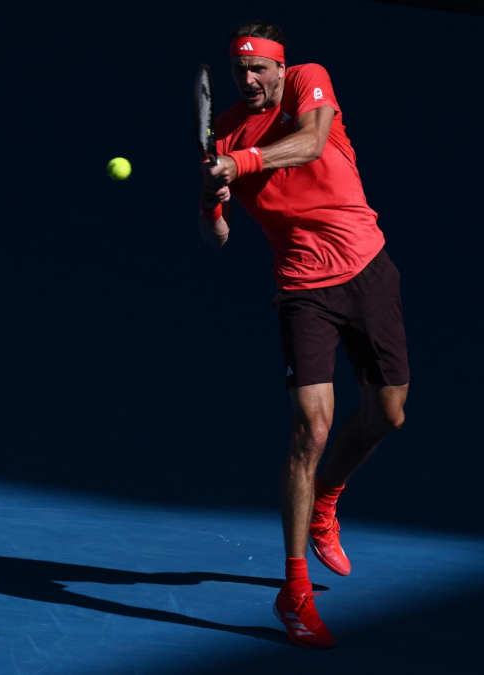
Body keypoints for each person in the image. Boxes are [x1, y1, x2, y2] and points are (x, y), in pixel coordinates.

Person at [198, 20, 410, 649]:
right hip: (302, 290)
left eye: (260, 68)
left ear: (281, 68)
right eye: (241, 72)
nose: (251, 79)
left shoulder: (308, 84)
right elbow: (218, 237)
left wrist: (239, 161)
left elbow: (314, 144)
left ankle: (325, 503)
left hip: (369, 270)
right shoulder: (228, 130)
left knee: (389, 414)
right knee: (310, 429)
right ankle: (292, 593)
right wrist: (213, 193)